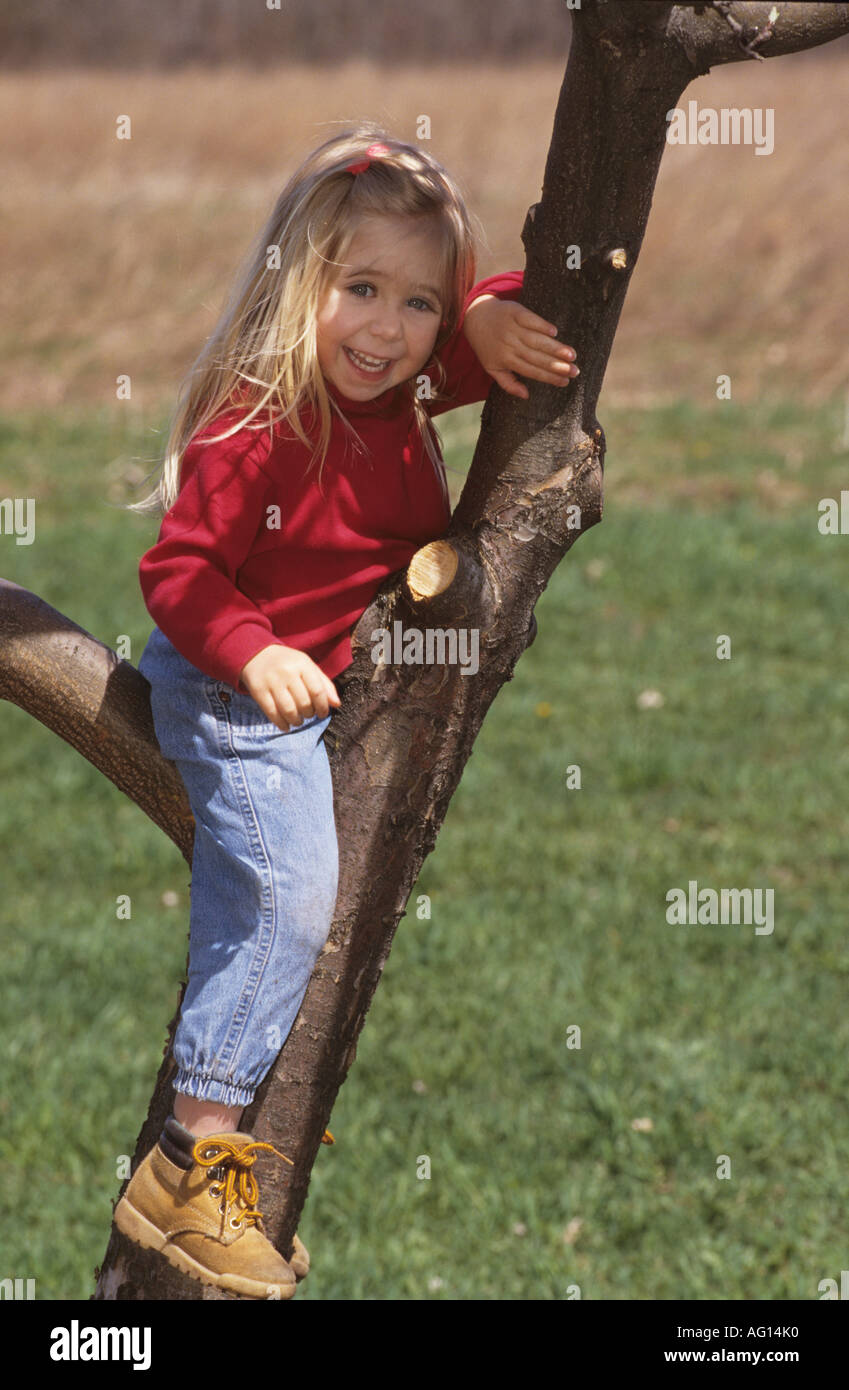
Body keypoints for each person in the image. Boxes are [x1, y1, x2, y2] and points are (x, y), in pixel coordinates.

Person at [115, 124, 580, 1299]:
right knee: (285, 896)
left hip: (308, 690)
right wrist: (252, 650)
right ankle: (185, 1167)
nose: (386, 327)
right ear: (296, 283)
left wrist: (477, 317)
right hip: (236, 691)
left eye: (418, 301)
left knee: (279, 899)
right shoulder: (258, 411)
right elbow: (179, 573)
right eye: (358, 287)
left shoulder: (405, 374)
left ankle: (214, 1149)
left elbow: (534, 307)